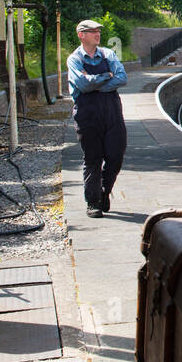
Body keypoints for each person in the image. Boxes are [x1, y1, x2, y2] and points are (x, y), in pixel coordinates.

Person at [67, 19, 128, 217]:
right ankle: (93, 202)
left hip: (111, 111)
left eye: (98, 31)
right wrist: (106, 76)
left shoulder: (108, 54)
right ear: (81, 35)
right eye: (92, 31)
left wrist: (94, 82)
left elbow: (122, 78)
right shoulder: (74, 59)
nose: (97, 34)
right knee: (93, 158)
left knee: (115, 156)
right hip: (87, 114)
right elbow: (82, 86)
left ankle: (103, 191)